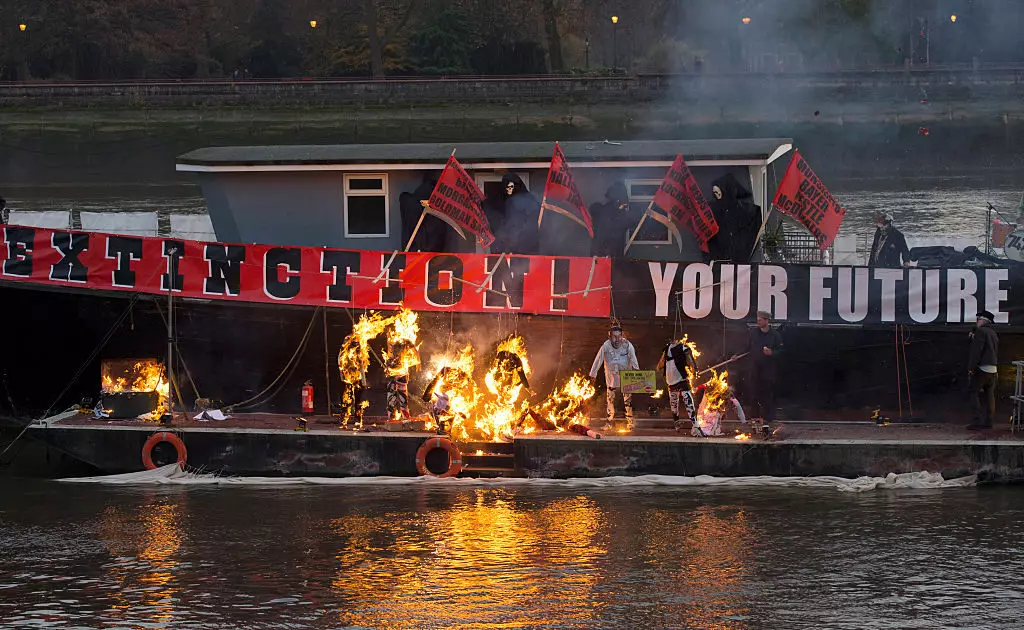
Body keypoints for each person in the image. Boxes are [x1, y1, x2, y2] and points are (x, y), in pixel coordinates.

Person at [732, 310, 783, 427]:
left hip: (768, 368)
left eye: (760, 320)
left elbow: (781, 351)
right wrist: (737, 355)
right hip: (754, 367)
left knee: (767, 393)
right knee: (753, 392)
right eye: (758, 320)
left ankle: (769, 418)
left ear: (766, 320)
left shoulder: (775, 335)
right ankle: (754, 417)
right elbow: (746, 347)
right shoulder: (753, 333)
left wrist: (772, 353)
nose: (758, 322)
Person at [589, 323, 639, 431]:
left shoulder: (627, 345)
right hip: (611, 376)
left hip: (626, 376)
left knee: (628, 400)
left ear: (622, 335)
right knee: (610, 399)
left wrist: (637, 372)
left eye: (618, 336)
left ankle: (630, 421)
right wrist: (593, 374)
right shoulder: (606, 345)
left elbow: (633, 358)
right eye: (614, 336)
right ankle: (609, 421)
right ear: (610, 336)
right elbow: (598, 359)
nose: (616, 339)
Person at [656, 338, 698, 433]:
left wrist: (694, 369)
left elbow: (691, 361)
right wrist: (694, 369)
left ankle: (696, 426)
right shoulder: (667, 349)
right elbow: (659, 365)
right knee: (675, 405)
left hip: (680, 380)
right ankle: (678, 424)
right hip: (671, 381)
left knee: (688, 402)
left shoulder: (683, 348)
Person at [967, 310, 999, 429]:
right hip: (993, 369)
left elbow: (977, 351)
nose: (977, 322)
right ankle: (989, 421)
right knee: (990, 396)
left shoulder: (980, 331)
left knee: (973, 392)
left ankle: (976, 421)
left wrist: (971, 368)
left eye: (978, 320)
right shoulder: (993, 332)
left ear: (982, 320)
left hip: (982, 368)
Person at [590, 181, 631, 257]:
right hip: (605, 254)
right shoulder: (609, 213)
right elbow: (605, 233)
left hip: (607, 253)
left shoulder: (610, 211)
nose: (624, 206)